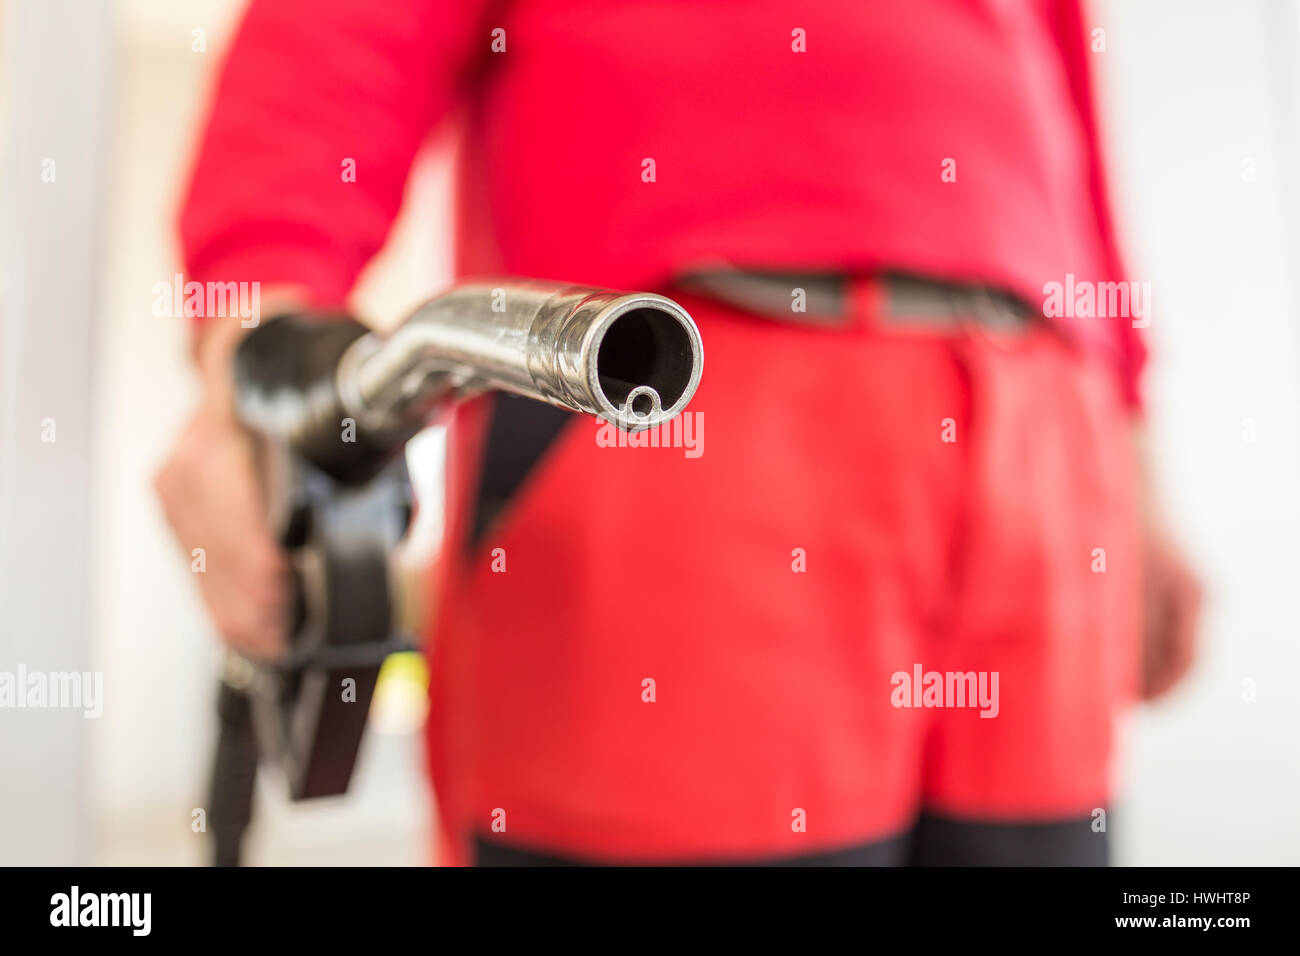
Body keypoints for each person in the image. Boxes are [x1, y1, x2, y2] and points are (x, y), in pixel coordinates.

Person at [156, 0, 1202, 865]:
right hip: (667, 401)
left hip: (1045, 439)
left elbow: (1070, 123)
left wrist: (1132, 465)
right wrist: (259, 345)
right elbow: (334, 43)